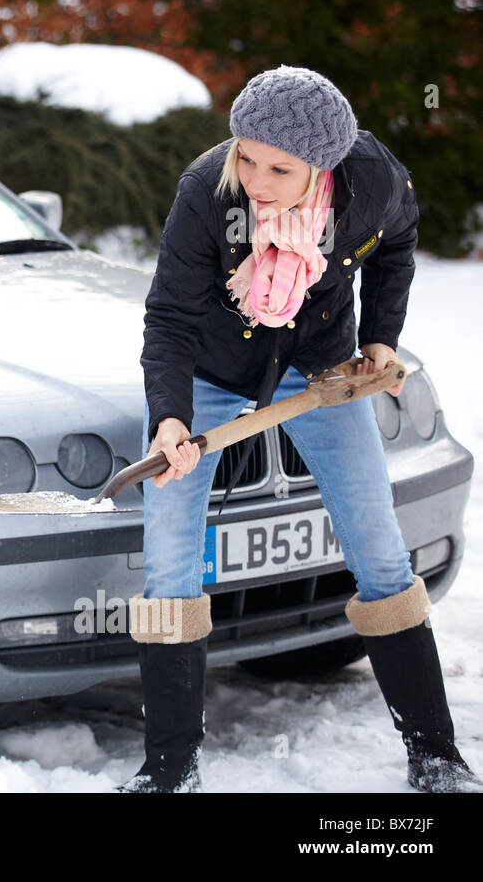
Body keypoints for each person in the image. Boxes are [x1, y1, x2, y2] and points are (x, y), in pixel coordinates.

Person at [116, 64, 480, 793]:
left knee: (379, 548)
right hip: (212, 377)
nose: (254, 177)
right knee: (170, 563)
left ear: (326, 166)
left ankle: (436, 755)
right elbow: (170, 319)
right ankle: (169, 771)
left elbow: (399, 243)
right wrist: (170, 419)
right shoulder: (206, 193)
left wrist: (380, 336)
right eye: (245, 154)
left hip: (317, 367)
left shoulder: (373, 181)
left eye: (279, 167)